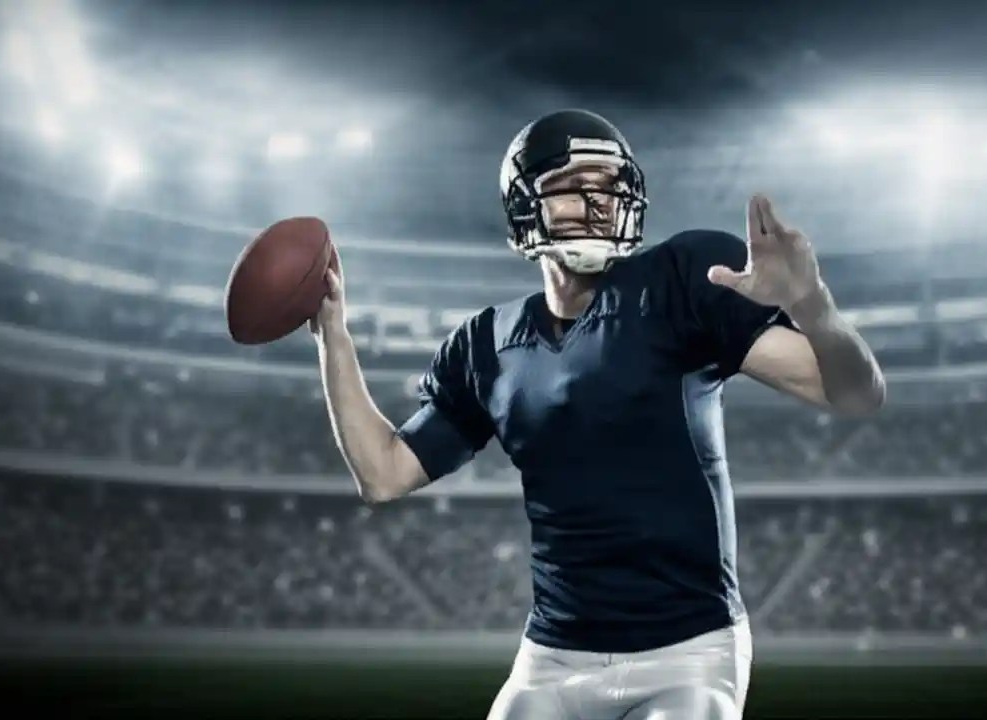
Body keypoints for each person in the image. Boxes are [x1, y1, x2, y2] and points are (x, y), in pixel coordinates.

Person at [309, 108, 885, 720]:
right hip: (551, 659)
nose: (599, 202)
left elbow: (854, 393)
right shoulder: (485, 344)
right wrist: (333, 337)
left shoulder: (681, 279)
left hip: (687, 650)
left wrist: (812, 306)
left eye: (610, 186)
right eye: (570, 187)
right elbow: (383, 473)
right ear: (522, 210)